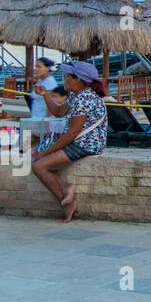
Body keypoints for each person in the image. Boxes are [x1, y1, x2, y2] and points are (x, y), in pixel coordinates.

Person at [32, 61, 108, 222]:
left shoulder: (85, 98)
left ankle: (66, 200)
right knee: (38, 158)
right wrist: (45, 95)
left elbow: (73, 133)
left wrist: (46, 152)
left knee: (39, 166)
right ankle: (67, 193)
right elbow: (58, 112)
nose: (65, 79)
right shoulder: (76, 95)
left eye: (68, 76)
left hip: (86, 143)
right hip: (78, 140)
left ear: (79, 79)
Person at [26, 57, 60, 150]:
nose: (36, 69)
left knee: (24, 142)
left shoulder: (50, 82)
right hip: (35, 117)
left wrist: (46, 122)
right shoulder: (40, 80)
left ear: (48, 68)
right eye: (35, 66)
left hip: (42, 119)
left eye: (39, 67)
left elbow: (52, 103)